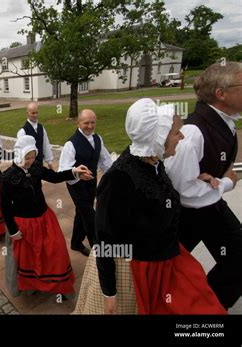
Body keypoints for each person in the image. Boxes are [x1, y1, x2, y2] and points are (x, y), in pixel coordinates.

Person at [74, 98, 226, 315]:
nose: (181, 137)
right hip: (134, 269)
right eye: (176, 133)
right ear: (158, 139)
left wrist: (196, 177)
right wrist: (109, 294)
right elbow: (104, 241)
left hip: (166, 261)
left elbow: (159, 191)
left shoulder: (153, 161)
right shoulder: (117, 179)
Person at [165, 62, 242, 310]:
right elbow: (182, 189)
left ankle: (207, 307)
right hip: (190, 213)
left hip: (208, 207)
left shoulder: (223, 121)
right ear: (221, 94)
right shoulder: (192, 134)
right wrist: (227, 182)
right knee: (169, 271)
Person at [0, 135, 92, 297]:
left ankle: (59, 285)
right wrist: (13, 230)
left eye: (33, 156)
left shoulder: (36, 168)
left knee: (56, 250)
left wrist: (74, 173)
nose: (30, 160)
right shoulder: (7, 177)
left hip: (44, 218)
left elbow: (55, 177)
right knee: (30, 259)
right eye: (27, 157)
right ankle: (33, 285)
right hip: (24, 225)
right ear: (19, 154)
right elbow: (5, 206)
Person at [59, 109, 113, 256]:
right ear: (78, 123)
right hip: (76, 185)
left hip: (92, 182)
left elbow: (106, 161)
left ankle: (76, 242)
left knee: (82, 212)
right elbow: (63, 170)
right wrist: (78, 173)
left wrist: (115, 176)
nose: (90, 126)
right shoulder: (70, 144)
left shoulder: (98, 139)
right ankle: (99, 254)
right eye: (86, 123)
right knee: (90, 216)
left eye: (92, 122)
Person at [17, 102, 54, 169]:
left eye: (37, 113)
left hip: (39, 164)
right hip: (28, 167)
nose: (35, 115)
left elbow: (45, 145)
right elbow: (20, 153)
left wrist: (49, 162)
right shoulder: (22, 132)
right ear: (27, 113)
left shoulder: (41, 128)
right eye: (33, 113)